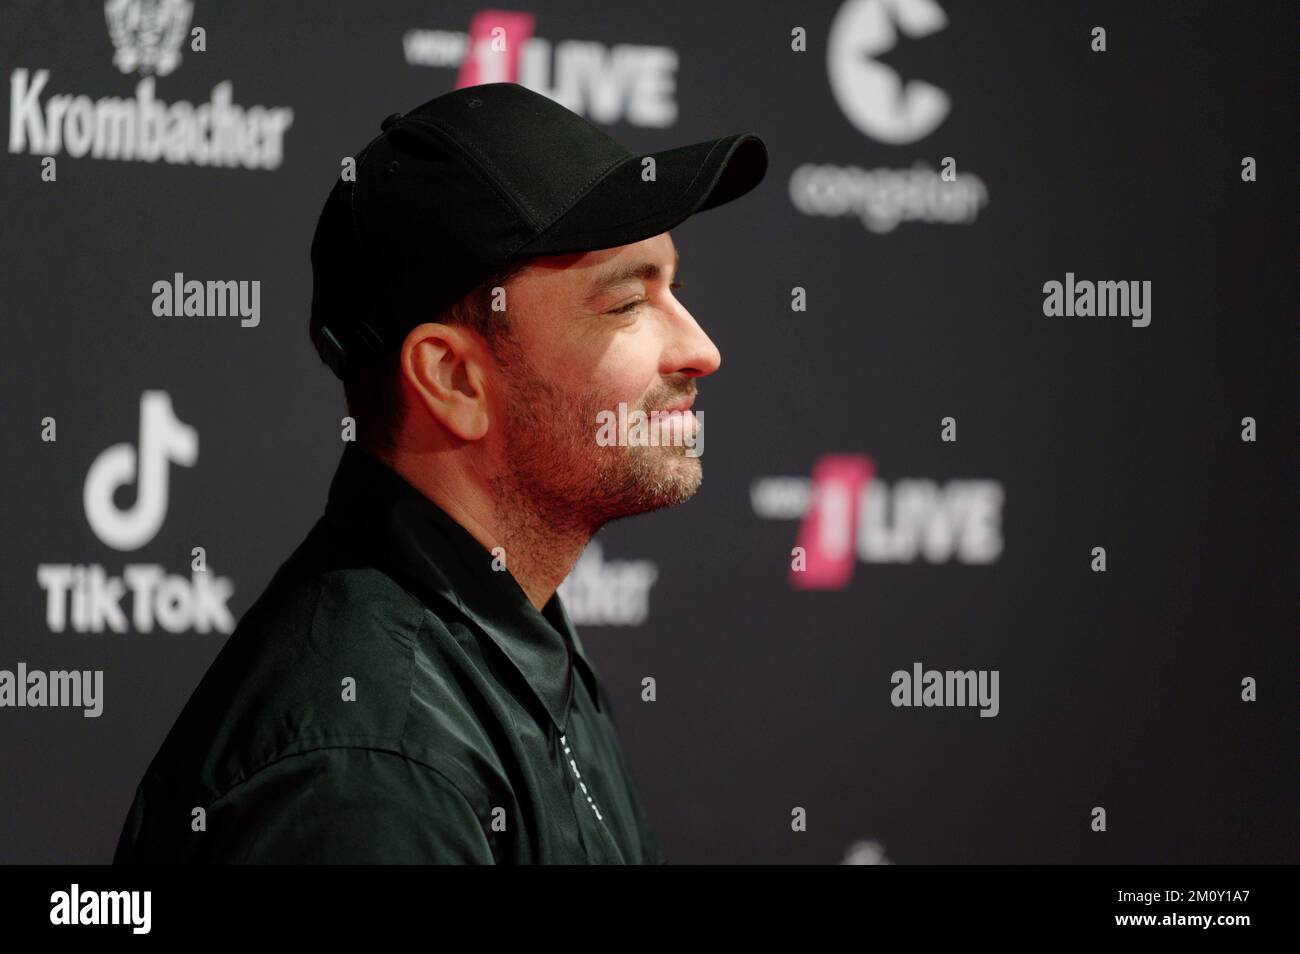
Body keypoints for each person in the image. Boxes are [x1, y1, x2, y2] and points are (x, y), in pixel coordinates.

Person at [113, 81, 767, 863]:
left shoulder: (515, 631)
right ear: (453, 379)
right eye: (627, 303)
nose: (701, 349)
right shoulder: (365, 773)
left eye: (674, 287)